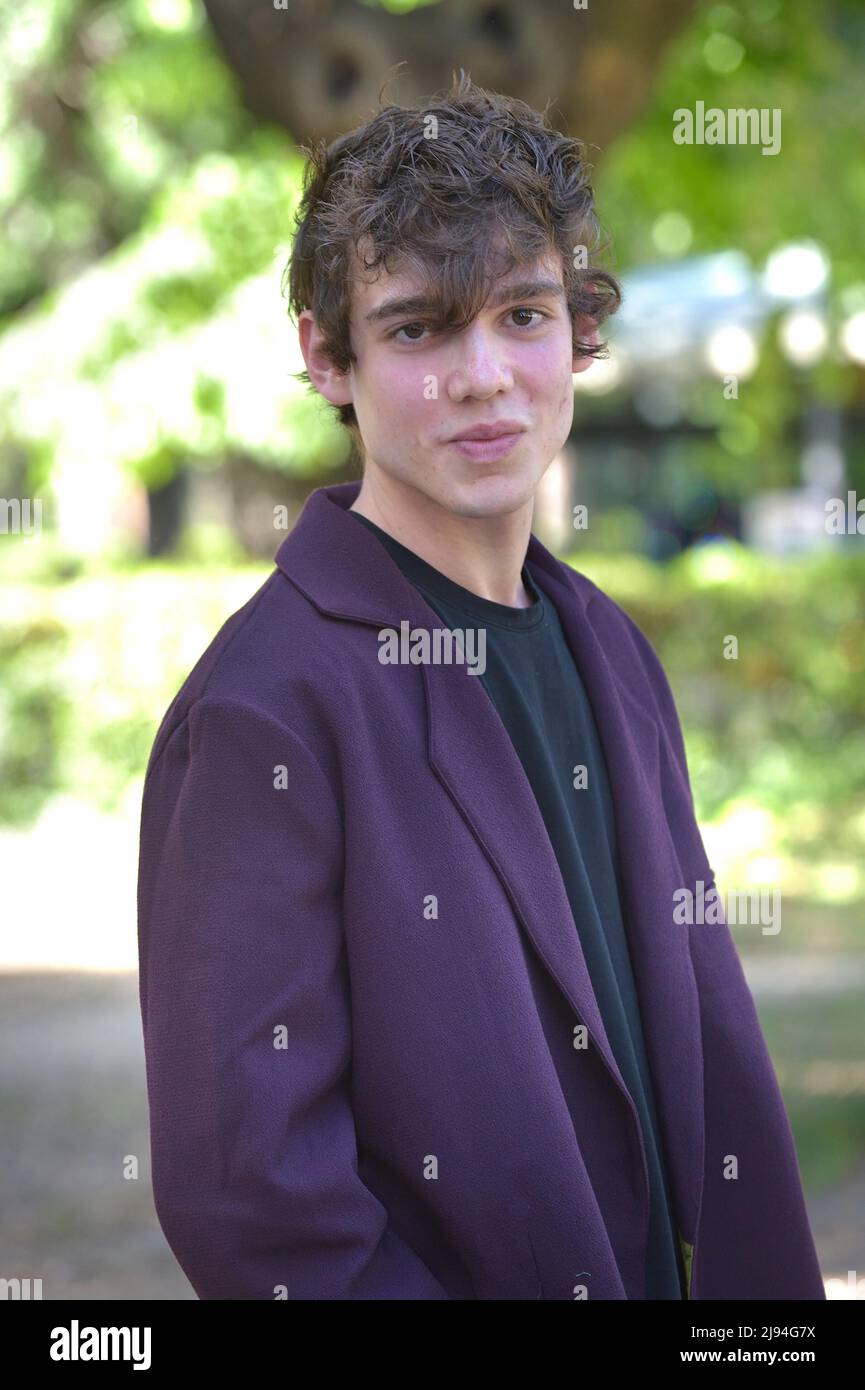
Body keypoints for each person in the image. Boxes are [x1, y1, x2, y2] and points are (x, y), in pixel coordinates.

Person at [136, 71, 824, 1300]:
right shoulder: (263, 710)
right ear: (327, 355)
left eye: (520, 313)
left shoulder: (605, 644)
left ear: (579, 331)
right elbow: (255, 1195)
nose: (483, 375)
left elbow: (704, 1061)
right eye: (417, 328)